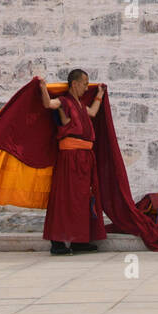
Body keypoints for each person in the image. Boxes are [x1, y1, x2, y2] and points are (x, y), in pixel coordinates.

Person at [41, 68, 106, 255]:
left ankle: (79, 241)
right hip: (70, 158)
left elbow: (93, 112)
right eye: (85, 84)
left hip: (85, 158)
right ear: (75, 83)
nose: (87, 88)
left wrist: (100, 94)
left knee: (83, 199)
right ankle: (57, 242)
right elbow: (47, 104)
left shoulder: (80, 104)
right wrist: (42, 86)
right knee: (65, 198)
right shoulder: (64, 102)